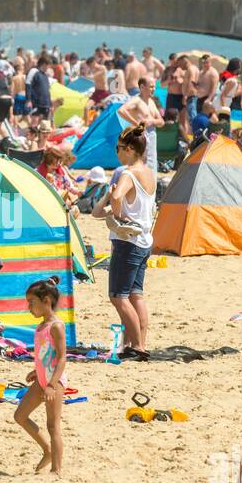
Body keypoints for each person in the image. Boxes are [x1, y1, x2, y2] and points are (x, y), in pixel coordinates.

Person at [92, 125, 155, 361]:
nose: (116, 153)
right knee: (135, 295)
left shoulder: (129, 173)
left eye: (118, 148)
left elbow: (118, 197)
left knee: (119, 296)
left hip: (128, 241)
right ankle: (137, 343)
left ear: (128, 149)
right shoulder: (147, 172)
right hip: (144, 239)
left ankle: (137, 346)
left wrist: (118, 216)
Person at [12, 279, 67, 475]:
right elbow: (46, 354)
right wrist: (37, 371)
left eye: (31, 302)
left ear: (46, 300)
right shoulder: (41, 326)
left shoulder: (56, 326)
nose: (28, 307)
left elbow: (61, 359)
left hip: (54, 382)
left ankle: (56, 470)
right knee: (20, 416)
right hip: (42, 380)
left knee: (53, 426)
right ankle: (47, 450)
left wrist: (52, 384)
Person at [122, 78, 165, 173]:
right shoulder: (136, 100)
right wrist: (136, 123)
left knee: (152, 163)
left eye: (154, 86)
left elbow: (161, 122)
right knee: (141, 162)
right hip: (141, 135)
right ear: (142, 87)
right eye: (151, 86)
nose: (153, 89)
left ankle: (150, 185)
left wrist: (152, 121)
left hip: (152, 135)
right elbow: (122, 110)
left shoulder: (151, 102)